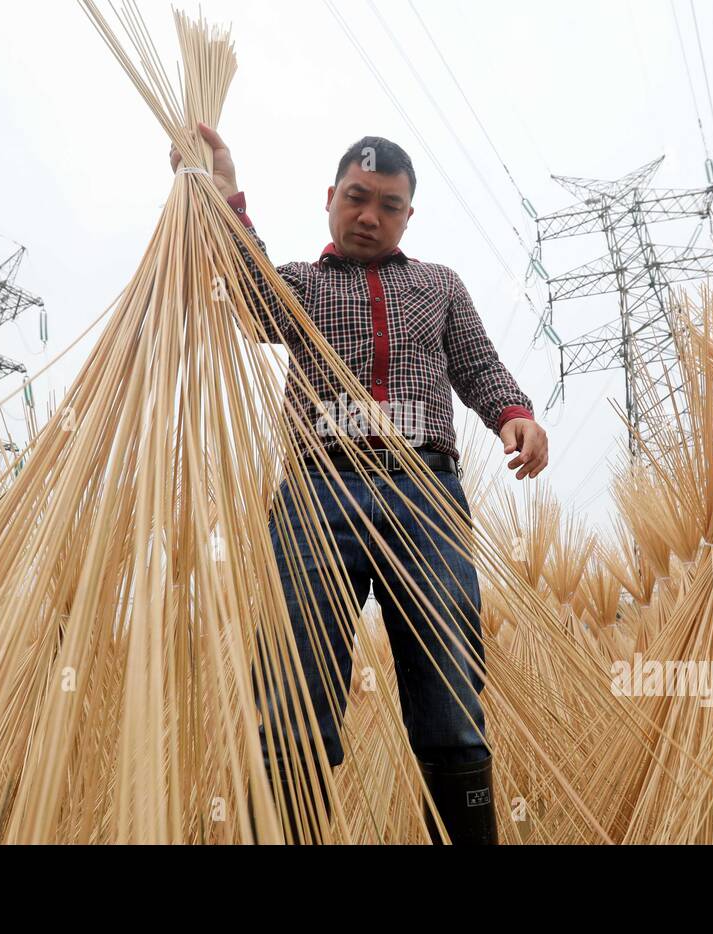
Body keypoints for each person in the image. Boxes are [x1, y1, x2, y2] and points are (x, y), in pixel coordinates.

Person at [171, 125, 548, 844]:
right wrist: (222, 192)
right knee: (292, 702)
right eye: (356, 198)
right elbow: (244, 293)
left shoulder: (439, 285)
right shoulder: (300, 284)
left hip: (424, 494)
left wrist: (515, 415)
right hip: (318, 492)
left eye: (389, 205)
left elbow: (478, 365)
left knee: (451, 704)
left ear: (409, 216)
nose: (369, 215)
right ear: (330, 200)